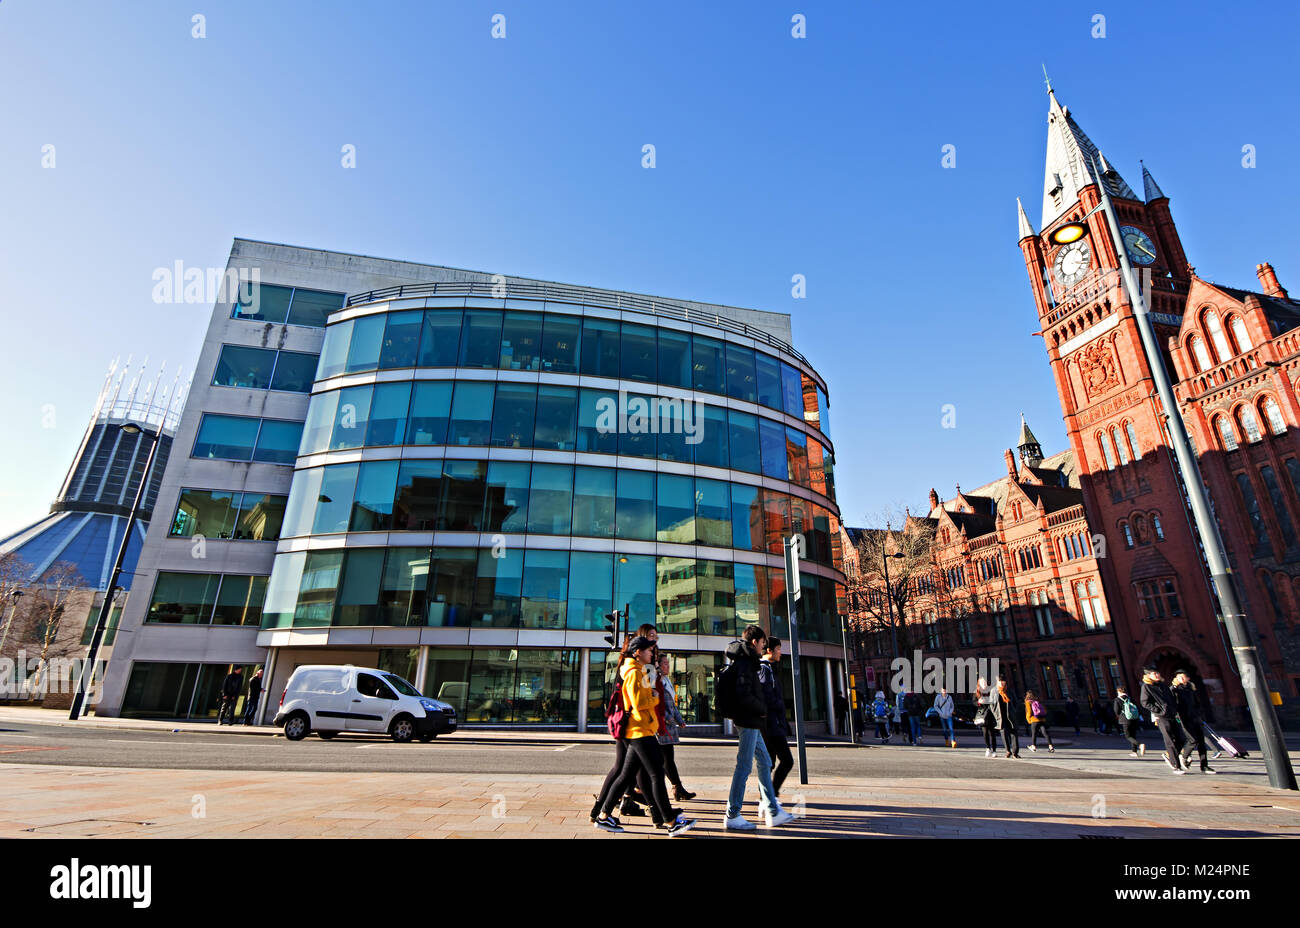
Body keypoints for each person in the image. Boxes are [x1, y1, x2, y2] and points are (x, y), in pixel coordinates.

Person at [592, 636, 695, 835]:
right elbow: (638, 704)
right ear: (638, 652)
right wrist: (654, 699)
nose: (651, 653)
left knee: (626, 775)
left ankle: (603, 816)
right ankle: (671, 821)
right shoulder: (633, 673)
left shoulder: (638, 670)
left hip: (639, 730)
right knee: (656, 773)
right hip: (640, 730)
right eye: (648, 650)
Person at [723, 625, 794, 830]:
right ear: (755, 642)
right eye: (763, 643)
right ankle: (732, 814)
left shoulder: (748, 661)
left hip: (752, 720)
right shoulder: (745, 663)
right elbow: (745, 694)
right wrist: (762, 709)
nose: (764, 647)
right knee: (744, 767)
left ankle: (772, 810)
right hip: (748, 720)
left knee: (764, 762)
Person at [655, 653, 697, 799]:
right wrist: (668, 719)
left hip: (669, 725)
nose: (668, 666)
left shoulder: (666, 680)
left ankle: (677, 788)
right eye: (665, 663)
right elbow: (657, 705)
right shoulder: (657, 680)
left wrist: (679, 720)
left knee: (667, 759)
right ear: (658, 665)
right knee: (665, 760)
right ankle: (677, 788)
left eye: (668, 663)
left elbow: (672, 705)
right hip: (662, 726)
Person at [757, 637, 795, 799]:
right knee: (785, 760)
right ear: (769, 650)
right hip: (771, 724)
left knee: (769, 762)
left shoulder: (769, 668)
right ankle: (770, 795)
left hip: (772, 723)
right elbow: (768, 697)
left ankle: (767, 796)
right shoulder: (765, 669)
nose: (781, 652)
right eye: (778, 648)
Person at [1140, 667, 1188, 774]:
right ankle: (1176, 766)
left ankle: (1169, 755)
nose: (1157, 675)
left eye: (1157, 673)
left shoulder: (1163, 685)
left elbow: (1171, 698)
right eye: (1154, 674)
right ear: (1149, 675)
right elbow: (1144, 702)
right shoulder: (1146, 687)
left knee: (1181, 738)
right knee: (1169, 740)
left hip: (1172, 714)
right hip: (1162, 716)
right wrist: (1158, 711)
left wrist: (1174, 708)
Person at [1172, 671, 1215, 774]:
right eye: (1179, 677)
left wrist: (1200, 715)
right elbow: (1173, 705)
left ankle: (1204, 766)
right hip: (1183, 719)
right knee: (1193, 739)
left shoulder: (1191, 689)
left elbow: (1197, 703)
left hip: (1195, 717)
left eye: (1183, 676)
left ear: (1188, 678)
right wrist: (1177, 716)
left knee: (1201, 742)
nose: (1181, 678)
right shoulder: (1174, 690)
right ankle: (1184, 756)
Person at [991, 676, 1021, 758]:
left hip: (1010, 715)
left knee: (1014, 733)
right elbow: (992, 704)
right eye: (999, 681)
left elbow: (1016, 702)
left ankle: (1015, 752)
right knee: (1003, 734)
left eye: (1002, 681)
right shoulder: (994, 691)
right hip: (1001, 716)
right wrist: (996, 714)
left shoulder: (1009, 690)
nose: (1001, 683)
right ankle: (1008, 750)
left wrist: (1014, 711)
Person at [1113, 685, 1146, 757]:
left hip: (1125, 720)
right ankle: (1134, 752)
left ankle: (1140, 745)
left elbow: (1116, 711)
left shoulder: (1117, 700)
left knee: (1128, 736)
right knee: (1133, 735)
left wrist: (1119, 714)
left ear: (1119, 691)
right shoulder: (1130, 698)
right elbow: (1137, 708)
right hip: (1134, 719)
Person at [974, 677, 998, 757]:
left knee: (992, 733)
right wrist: (979, 702)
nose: (983, 684)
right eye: (981, 682)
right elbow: (973, 701)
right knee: (985, 733)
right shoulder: (977, 691)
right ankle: (988, 748)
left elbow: (994, 700)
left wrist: (988, 701)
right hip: (982, 714)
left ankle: (994, 750)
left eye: (984, 682)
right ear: (979, 683)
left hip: (990, 714)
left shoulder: (990, 690)